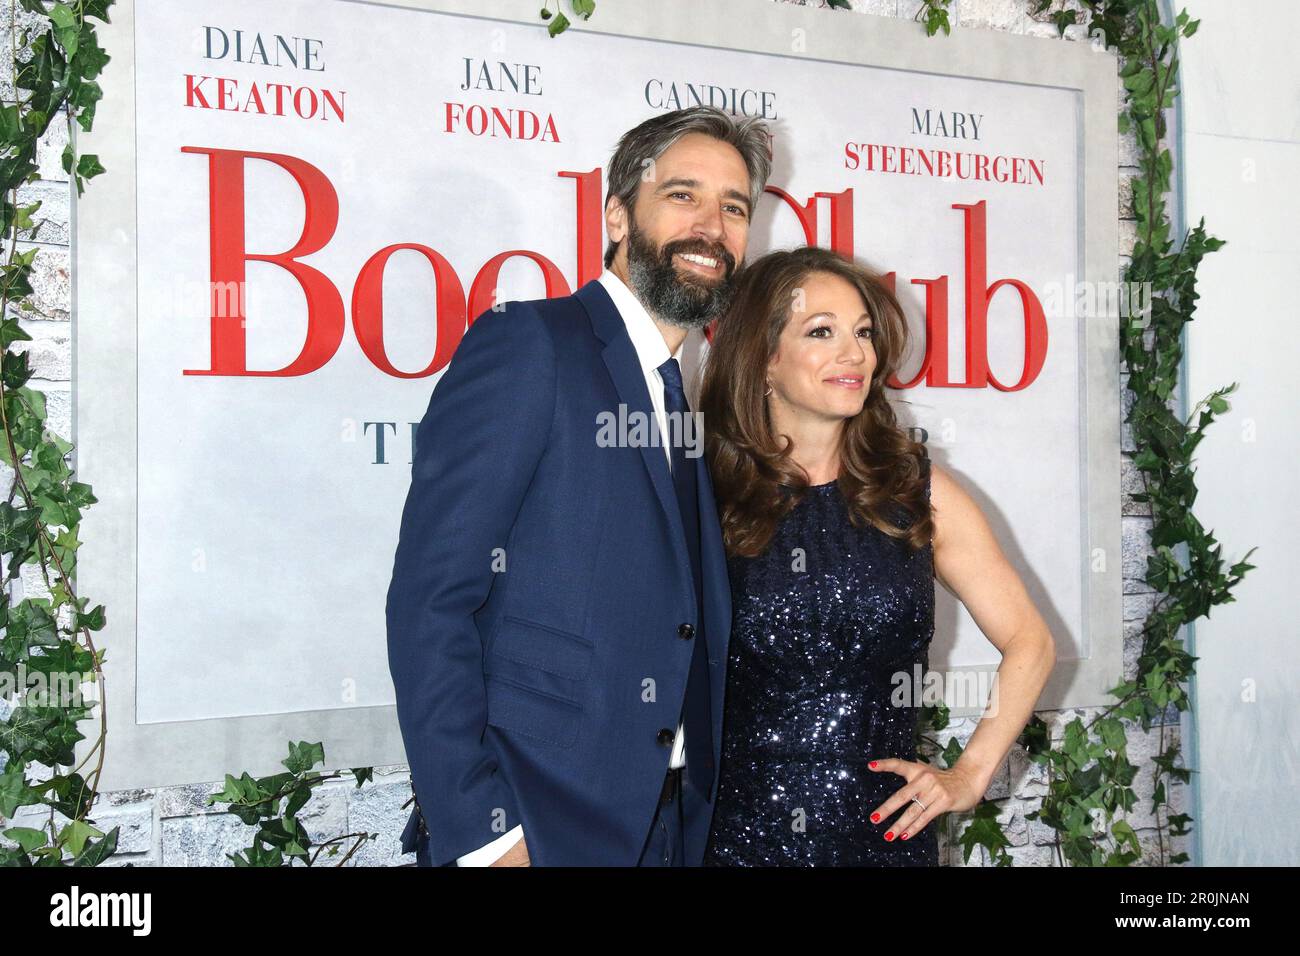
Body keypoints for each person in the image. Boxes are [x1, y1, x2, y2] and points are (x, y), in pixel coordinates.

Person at [385, 106, 772, 866]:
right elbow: (430, 598)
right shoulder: (532, 344)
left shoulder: (678, 393)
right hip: (535, 826)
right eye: (683, 195)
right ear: (618, 215)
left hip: (664, 829)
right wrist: (487, 832)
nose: (712, 225)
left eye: (734, 207)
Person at [697, 245, 1057, 866]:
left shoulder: (914, 489)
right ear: (762, 360)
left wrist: (969, 775)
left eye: (862, 332)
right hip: (735, 838)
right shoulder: (704, 494)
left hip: (884, 839)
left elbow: (1031, 640)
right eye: (822, 331)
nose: (854, 353)